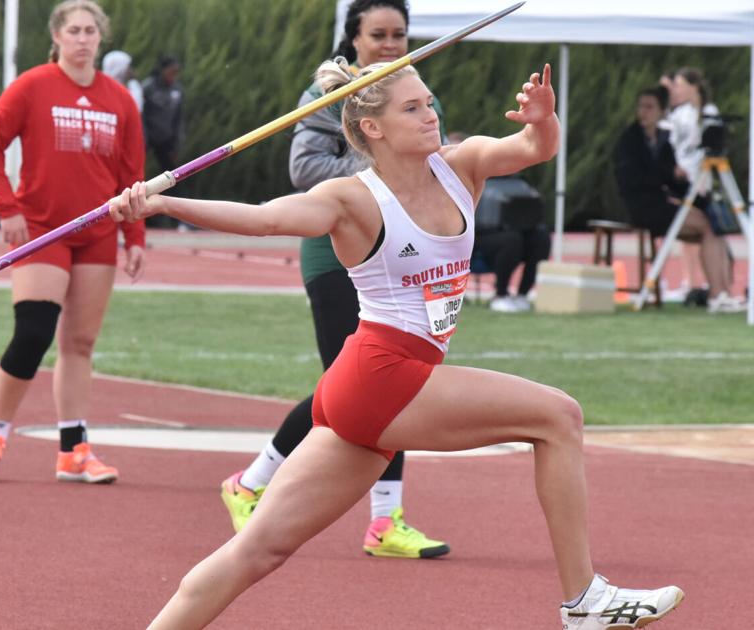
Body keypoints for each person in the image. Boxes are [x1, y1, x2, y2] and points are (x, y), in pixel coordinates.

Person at [110, 61, 684, 629]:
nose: (430, 114)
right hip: (381, 376)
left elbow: (535, 147)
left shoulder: (465, 164)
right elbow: (264, 219)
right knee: (559, 416)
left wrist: (545, 118)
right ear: (372, 129)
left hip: (362, 396)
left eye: (429, 102)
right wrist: (162, 205)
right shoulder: (351, 199)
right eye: (412, 108)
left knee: (258, 550)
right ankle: (584, 601)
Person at [220, 0, 448, 561]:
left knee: (398, 382)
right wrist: (379, 170)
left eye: (399, 34)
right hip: (337, 255)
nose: (391, 45)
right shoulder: (328, 96)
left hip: (403, 257)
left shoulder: (416, 92)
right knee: (360, 385)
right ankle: (253, 484)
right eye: (379, 35)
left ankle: (381, 521)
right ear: (354, 39)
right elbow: (304, 171)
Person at [0, 0, 145, 483]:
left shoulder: (120, 100)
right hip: (44, 229)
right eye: (75, 31)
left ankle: (74, 450)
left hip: (98, 232)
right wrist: (7, 208)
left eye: (91, 31)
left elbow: (131, 175)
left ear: (100, 38)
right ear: (58, 37)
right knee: (33, 333)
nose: (84, 39)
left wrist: (135, 236)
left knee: (80, 343)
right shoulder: (33, 86)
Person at [662, 69, 743, 313]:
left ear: (694, 86)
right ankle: (701, 285)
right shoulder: (679, 114)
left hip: (703, 181)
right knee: (700, 231)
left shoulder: (709, 113)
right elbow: (671, 144)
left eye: (679, 84)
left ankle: (721, 288)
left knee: (713, 231)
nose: (676, 89)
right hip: (684, 183)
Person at [471, 173, 551, 313]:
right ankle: (500, 295)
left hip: (514, 234)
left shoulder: (518, 182)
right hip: (479, 238)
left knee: (541, 237)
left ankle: (522, 295)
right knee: (512, 239)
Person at [141, 54, 185, 174]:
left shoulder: (177, 90)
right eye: (171, 72)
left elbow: (178, 119)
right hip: (148, 136)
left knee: (172, 174)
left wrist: (177, 145)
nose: (173, 76)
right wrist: (143, 139)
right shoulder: (148, 87)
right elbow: (141, 116)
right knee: (139, 169)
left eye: (176, 73)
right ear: (163, 70)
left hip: (166, 138)